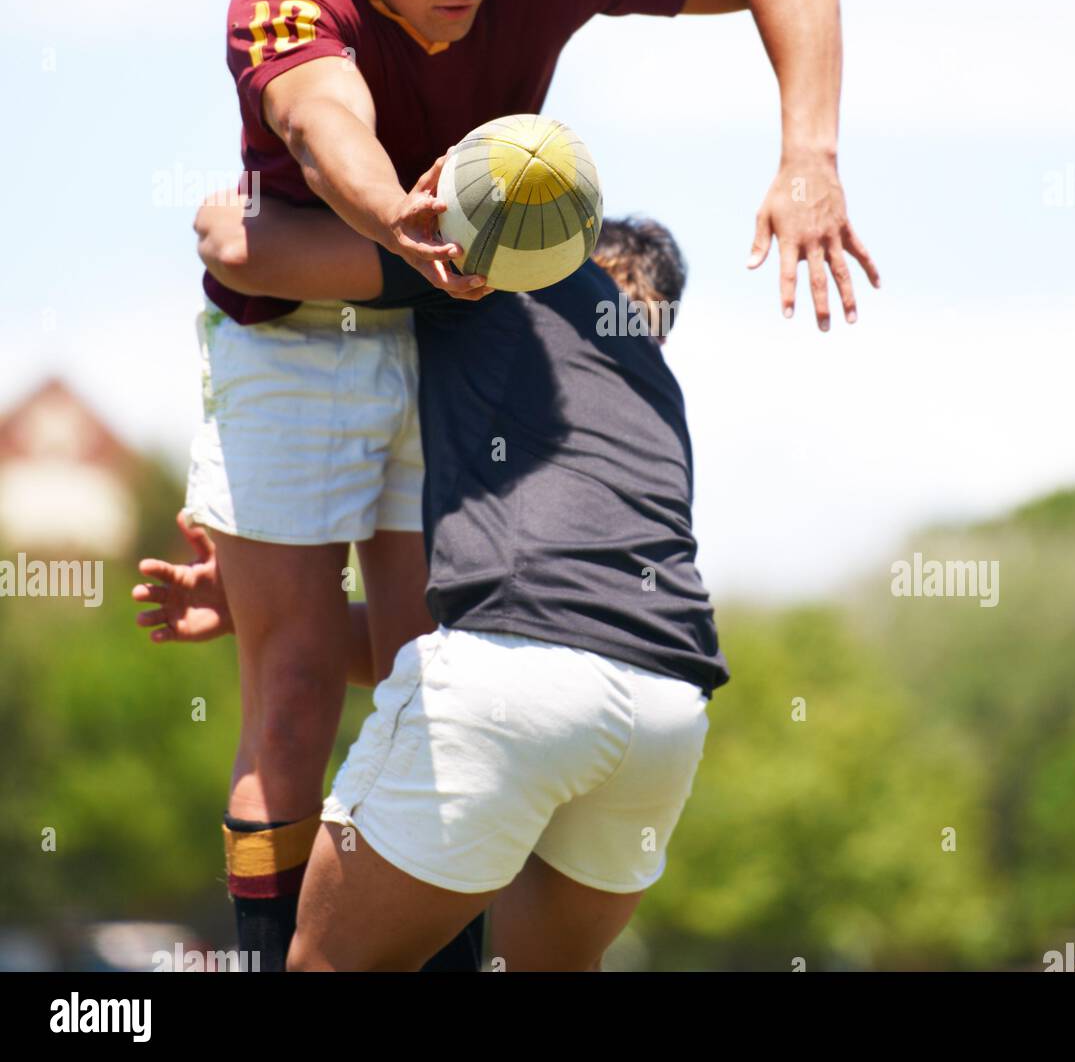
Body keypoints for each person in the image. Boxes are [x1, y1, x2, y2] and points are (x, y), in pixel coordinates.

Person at [188, 0, 878, 970]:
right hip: (303, 309)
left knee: (427, 665)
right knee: (297, 680)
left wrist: (807, 155)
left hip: (443, 309)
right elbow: (323, 123)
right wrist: (393, 221)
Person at [139, 210, 726, 970]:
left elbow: (246, 255)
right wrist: (262, 605)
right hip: (666, 712)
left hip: (515, 685)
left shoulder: (507, 279)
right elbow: (573, 625)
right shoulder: (656, 395)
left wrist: (222, 216)